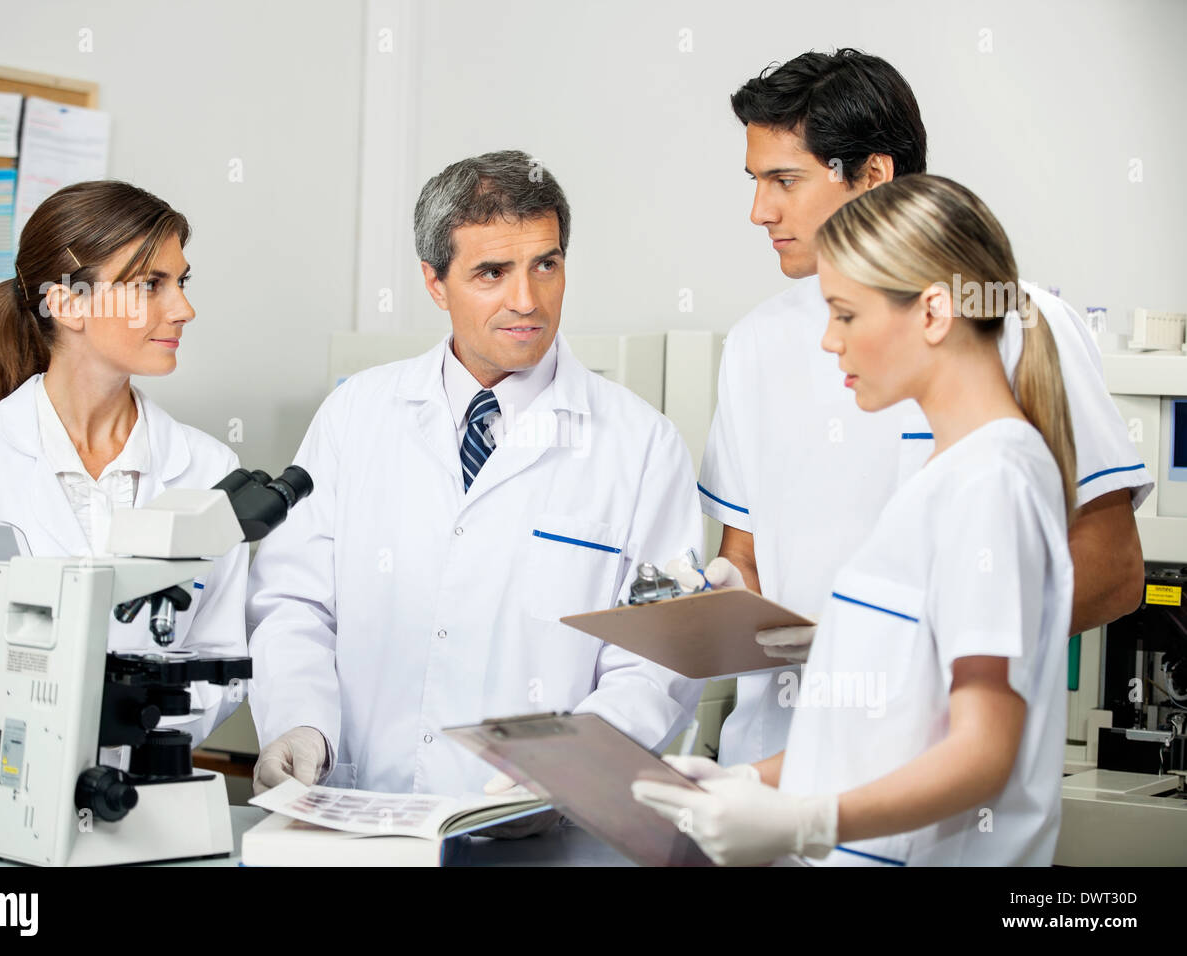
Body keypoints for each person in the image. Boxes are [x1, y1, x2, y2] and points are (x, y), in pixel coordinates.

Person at [701, 49, 1150, 766]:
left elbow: (1112, 570)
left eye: (784, 180)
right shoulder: (757, 343)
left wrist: (922, 654)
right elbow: (746, 557)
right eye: (756, 181)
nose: (760, 211)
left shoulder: (1019, 323)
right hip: (775, 759)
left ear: (873, 176)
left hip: (945, 763)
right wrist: (717, 604)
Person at [635, 175, 1076, 866]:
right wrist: (745, 782)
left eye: (844, 314)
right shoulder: (945, 480)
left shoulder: (992, 484)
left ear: (933, 313)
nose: (828, 342)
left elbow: (984, 752)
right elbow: (883, 732)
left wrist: (804, 823)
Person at [247, 150, 704, 804]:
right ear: (435, 283)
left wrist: (560, 774)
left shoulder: (641, 444)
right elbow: (294, 599)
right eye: (492, 272)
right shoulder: (358, 414)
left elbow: (658, 656)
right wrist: (300, 723)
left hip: (547, 826)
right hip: (364, 809)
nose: (527, 299)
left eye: (546, 265)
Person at [0, 181, 248, 860]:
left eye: (181, 281)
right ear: (66, 302)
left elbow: (217, 659)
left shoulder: (206, 466)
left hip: (127, 804)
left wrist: (128, 727)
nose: (184, 307)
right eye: (149, 285)